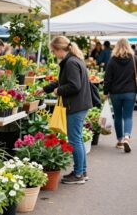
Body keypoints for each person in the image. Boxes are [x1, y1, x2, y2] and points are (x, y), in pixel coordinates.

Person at [36, 36, 92, 184]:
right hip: (79, 105)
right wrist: (45, 89)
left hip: (75, 106)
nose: (54, 54)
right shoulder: (74, 60)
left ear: (60, 49)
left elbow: (74, 85)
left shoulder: (71, 63)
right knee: (77, 139)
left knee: (75, 140)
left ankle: (79, 174)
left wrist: (58, 91)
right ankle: (82, 171)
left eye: (54, 51)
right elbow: (63, 81)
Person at [103, 38, 137, 153]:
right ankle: (127, 137)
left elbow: (107, 78)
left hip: (115, 93)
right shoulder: (133, 59)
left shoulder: (112, 60)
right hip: (130, 92)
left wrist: (105, 92)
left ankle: (120, 140)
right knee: (128, 116)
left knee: (117, 116)